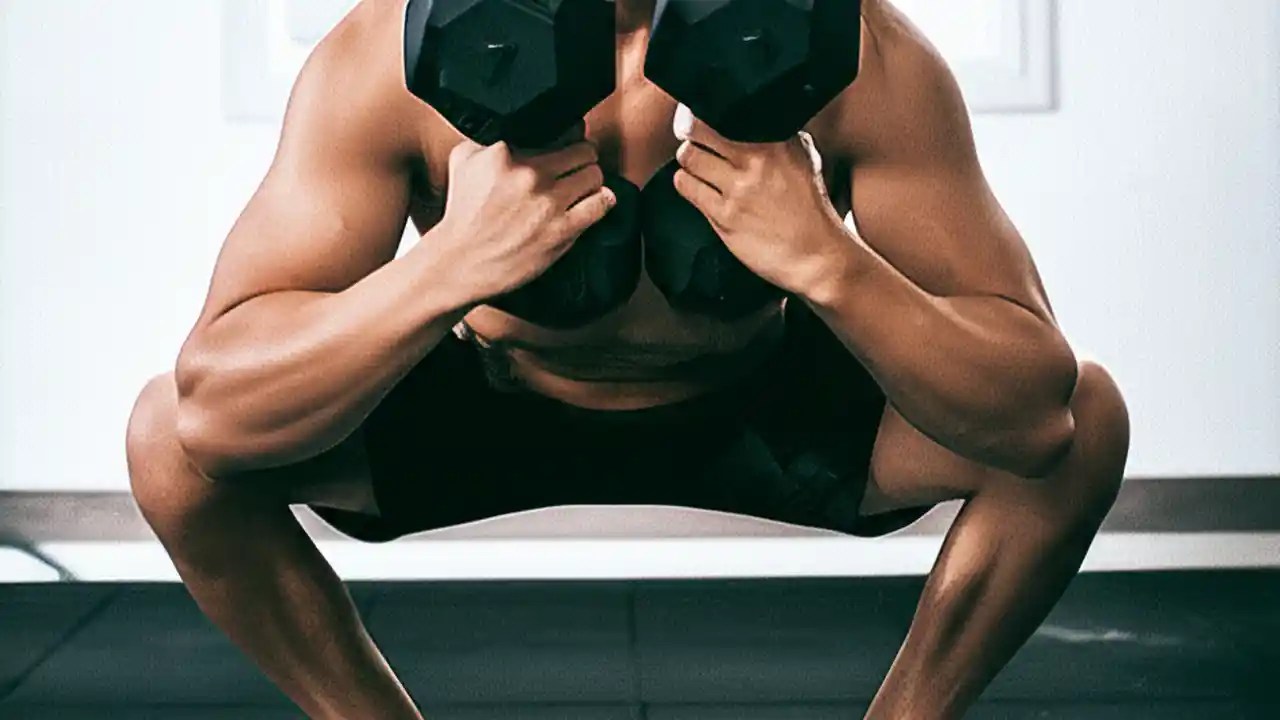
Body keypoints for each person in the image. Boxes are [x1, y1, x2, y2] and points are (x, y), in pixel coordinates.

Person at [124, 0, 1131, 717]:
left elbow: (1036, 417)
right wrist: (448, 267)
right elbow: (215, 418)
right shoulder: (383, 56)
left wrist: (828, 261)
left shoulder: (860, 50)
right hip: (492, 404)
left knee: (1087, 410)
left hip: (765, 411)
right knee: (165, 435)